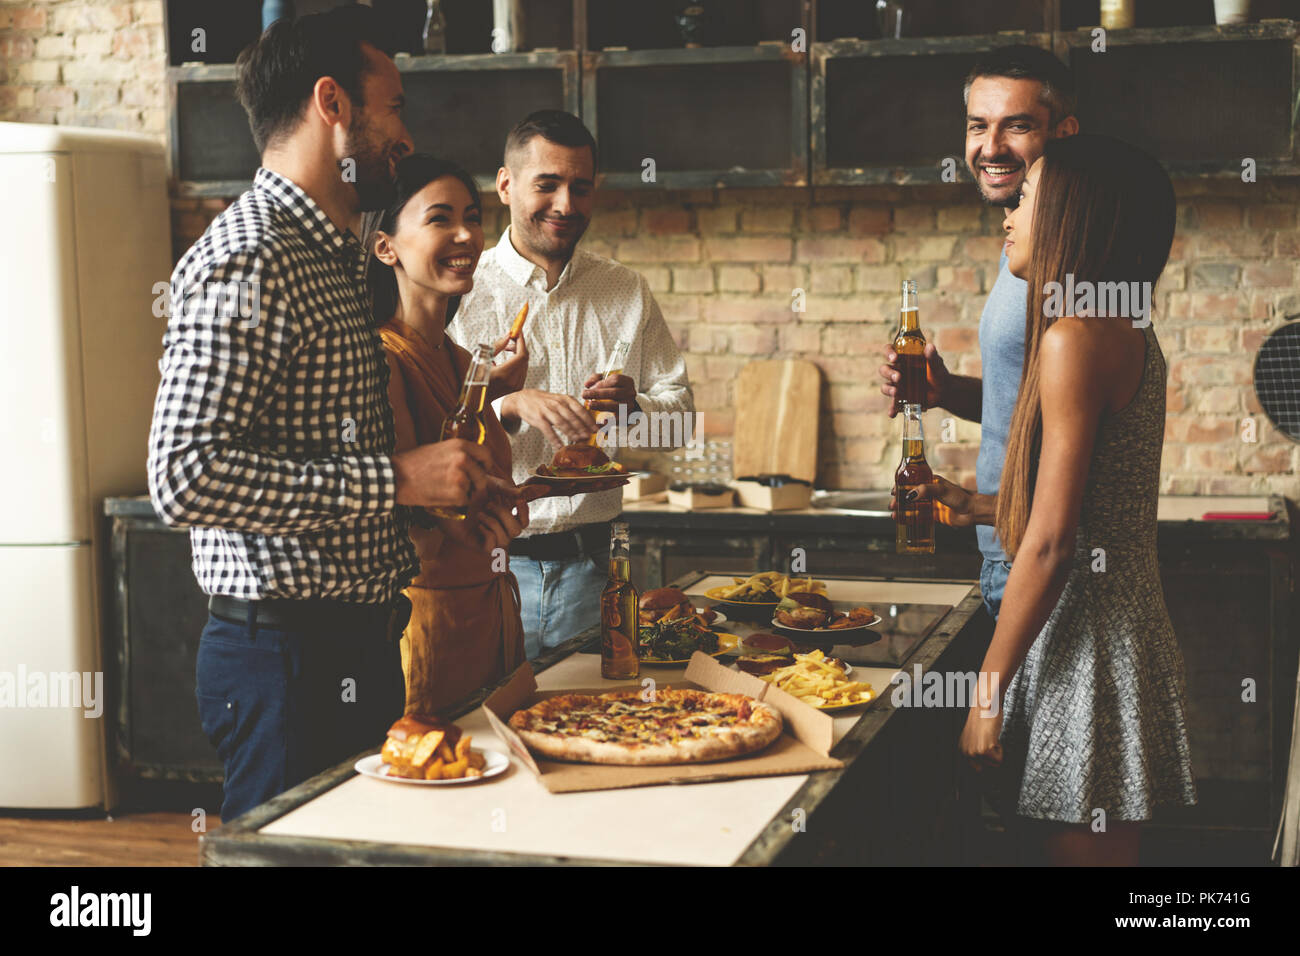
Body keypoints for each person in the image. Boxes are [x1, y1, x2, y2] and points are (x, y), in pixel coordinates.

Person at [147, 9, 499, 822]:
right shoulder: (251, 256)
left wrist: (442, 498)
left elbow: (342, 462)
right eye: (396, 107)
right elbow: (181, 476)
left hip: (355, 643)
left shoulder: (334, 257)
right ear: (333, 103)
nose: (405, 137)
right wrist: (397, 478)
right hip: (283, 660)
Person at [955, 133, 1197, 864]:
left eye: (1026, 199)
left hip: (1086, 648)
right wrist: (965, 503)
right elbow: (1084, 515)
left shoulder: (1073, 339)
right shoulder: (1120, 326)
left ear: (1073, 215)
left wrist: (986, 693)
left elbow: (1056, 542)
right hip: (1109, 638)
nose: (1009, 215)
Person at [450, 110, 694, 659]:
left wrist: (634, 410)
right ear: (507, 184)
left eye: (580, 188)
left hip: (598, 568)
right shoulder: (460, 289)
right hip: (488, 567)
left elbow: (680, 427)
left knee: (594, 724)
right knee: (490, 729)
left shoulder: (626, 290)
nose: (565, 204)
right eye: (548, 185)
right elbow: (425, 435)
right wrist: (507, 404)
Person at [879, 46, 1078, 622]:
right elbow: (1034, 405)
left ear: (1064, 133)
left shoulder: (1069, 266)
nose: (989, 149)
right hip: (1004, 550)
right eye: (977, 126)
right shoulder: (1020, 247)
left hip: (1041, 560)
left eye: (1016, 126)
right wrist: (948, 392)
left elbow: (1084, 437)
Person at [368, 154, 532, 715]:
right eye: (440, 218)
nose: (466, 234)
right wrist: (481, 522)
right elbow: (412, 516)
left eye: (472, 216)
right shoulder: (381, 358)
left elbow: (475, 479)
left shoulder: (465, 362)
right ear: (385, 246)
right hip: (427, 622)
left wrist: (510, 506)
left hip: (492, 613)